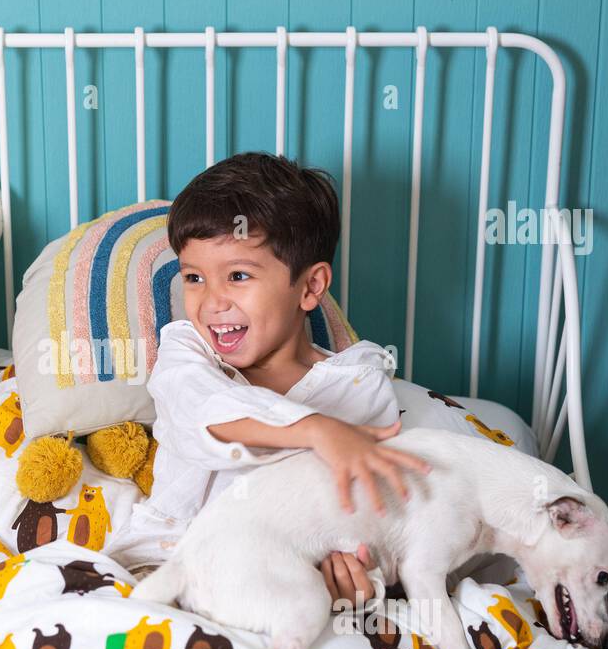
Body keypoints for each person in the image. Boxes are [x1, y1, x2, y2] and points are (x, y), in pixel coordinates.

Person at [105, 153, 429, 611]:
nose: (212, 302)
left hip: (273, 579)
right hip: (164, 558)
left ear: (311, 287)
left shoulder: (356, 384)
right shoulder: (187, 352)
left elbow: (367, 519)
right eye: (194, 278)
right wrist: (315, 429)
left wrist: (361, 580)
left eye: (238, 276)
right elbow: (204, 411)